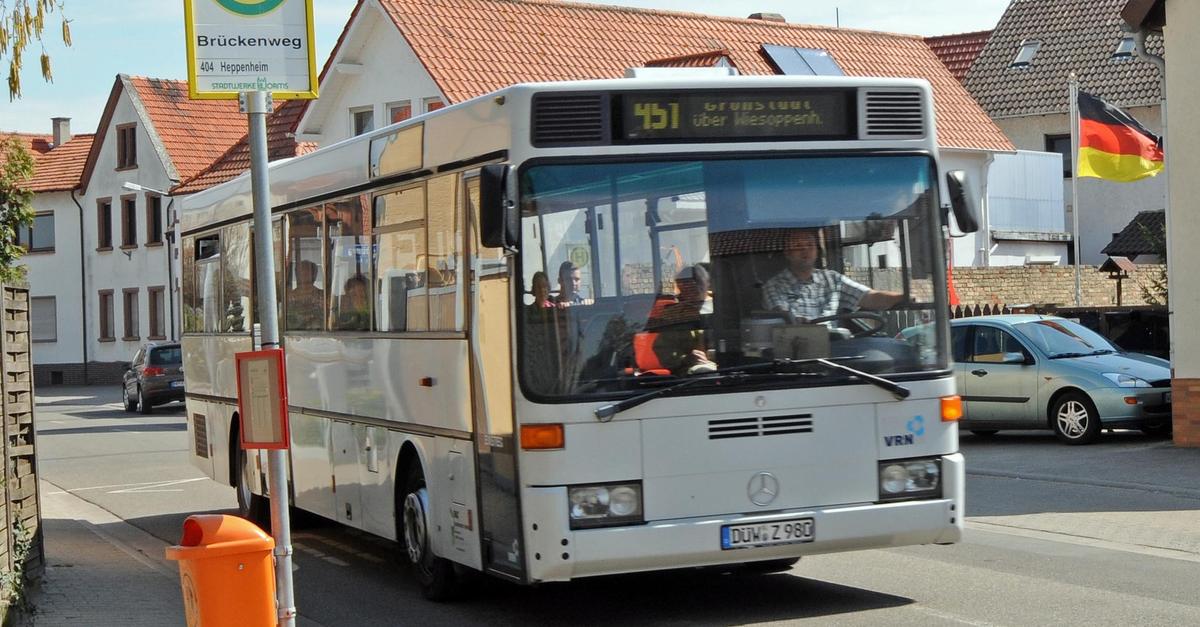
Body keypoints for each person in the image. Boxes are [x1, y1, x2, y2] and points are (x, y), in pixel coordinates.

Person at [762, 229, 904, 323]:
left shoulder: (832, 279)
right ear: (787, 253)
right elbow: (783, 316)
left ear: (817, 251)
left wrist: (903, 297)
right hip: (797, 355)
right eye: (798, 246)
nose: (805, 249)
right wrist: (803, 322)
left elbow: (869, 297)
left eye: (810, 245)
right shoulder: (774, 285)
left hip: (835, 350)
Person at [644, 265, 717, 375]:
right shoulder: (673, 314)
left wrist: (715, 356)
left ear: (707, 284)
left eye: (695, 285)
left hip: (726, 372)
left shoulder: (723, 308)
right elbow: (662, 349)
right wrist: (685, 359)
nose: (690, 291)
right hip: (686, 377)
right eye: (684, 288)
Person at [286, 259, 325, 330]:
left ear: (314, 275)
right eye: (301, 272)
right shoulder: (289, 297)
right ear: (296, 274)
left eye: (307, 272)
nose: (304, 274)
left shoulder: (323, 296)